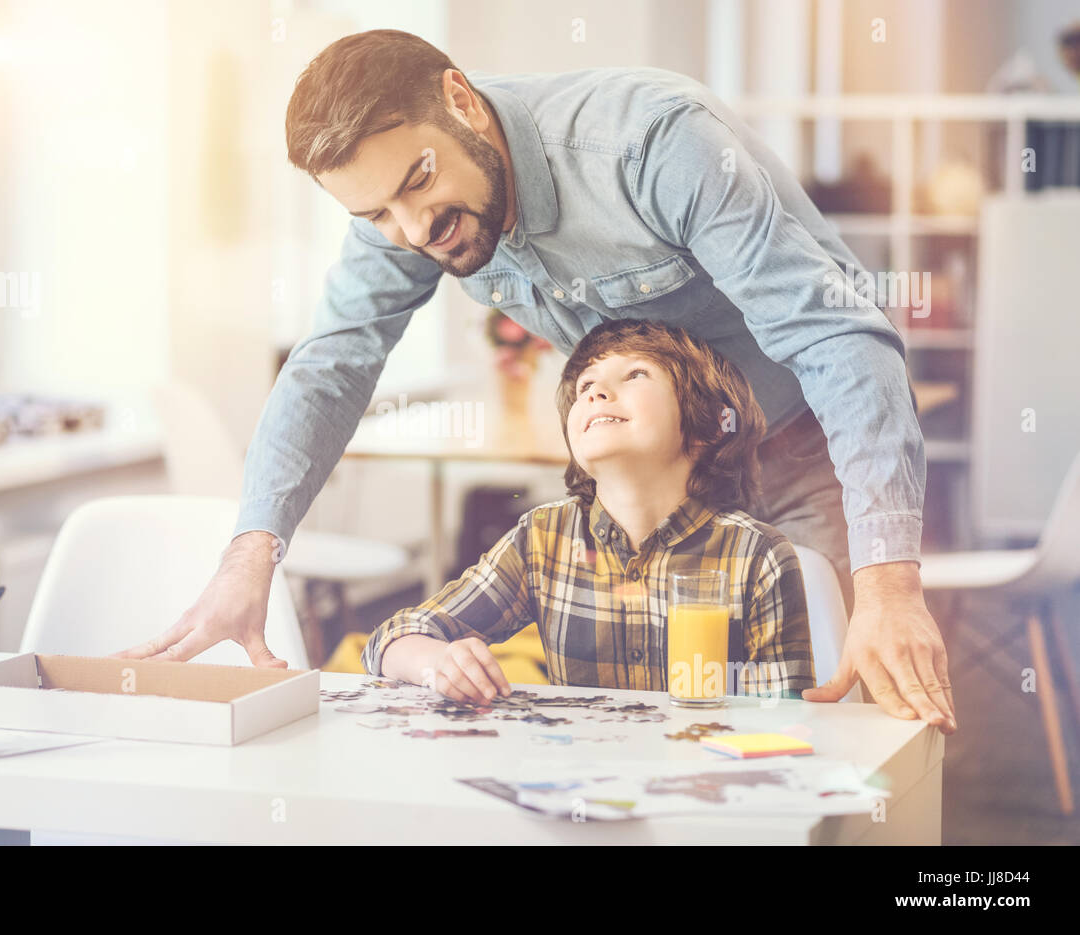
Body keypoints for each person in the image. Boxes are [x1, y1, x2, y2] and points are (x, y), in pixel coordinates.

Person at [115, 29, 955, 734]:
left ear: (463, 102)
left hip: (797, 439)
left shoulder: (653, 144)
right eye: (374, 215)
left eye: (418, 181)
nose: (413, 229)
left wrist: (892, 582)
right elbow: (330, 364)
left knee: (836, 711)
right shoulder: (399, 216)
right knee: (673, 722)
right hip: (655, 489)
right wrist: (248, 555)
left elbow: (834, 333)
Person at [362, 319, 814, 704]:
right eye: (585, 386)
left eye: (635, 374)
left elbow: (782, 722)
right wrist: (435, 661)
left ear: (706, 426)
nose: (596, 391)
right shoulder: (544, 537)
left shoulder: (759, 555)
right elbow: (392, 638)